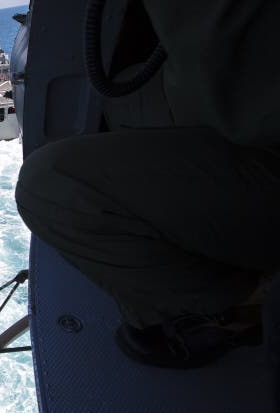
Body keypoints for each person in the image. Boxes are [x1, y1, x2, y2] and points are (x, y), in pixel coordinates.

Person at [15, 1, 280, 368]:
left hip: (260, 128)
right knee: (119, 102)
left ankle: (237, 308)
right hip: (244, 104)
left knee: (49, 186)